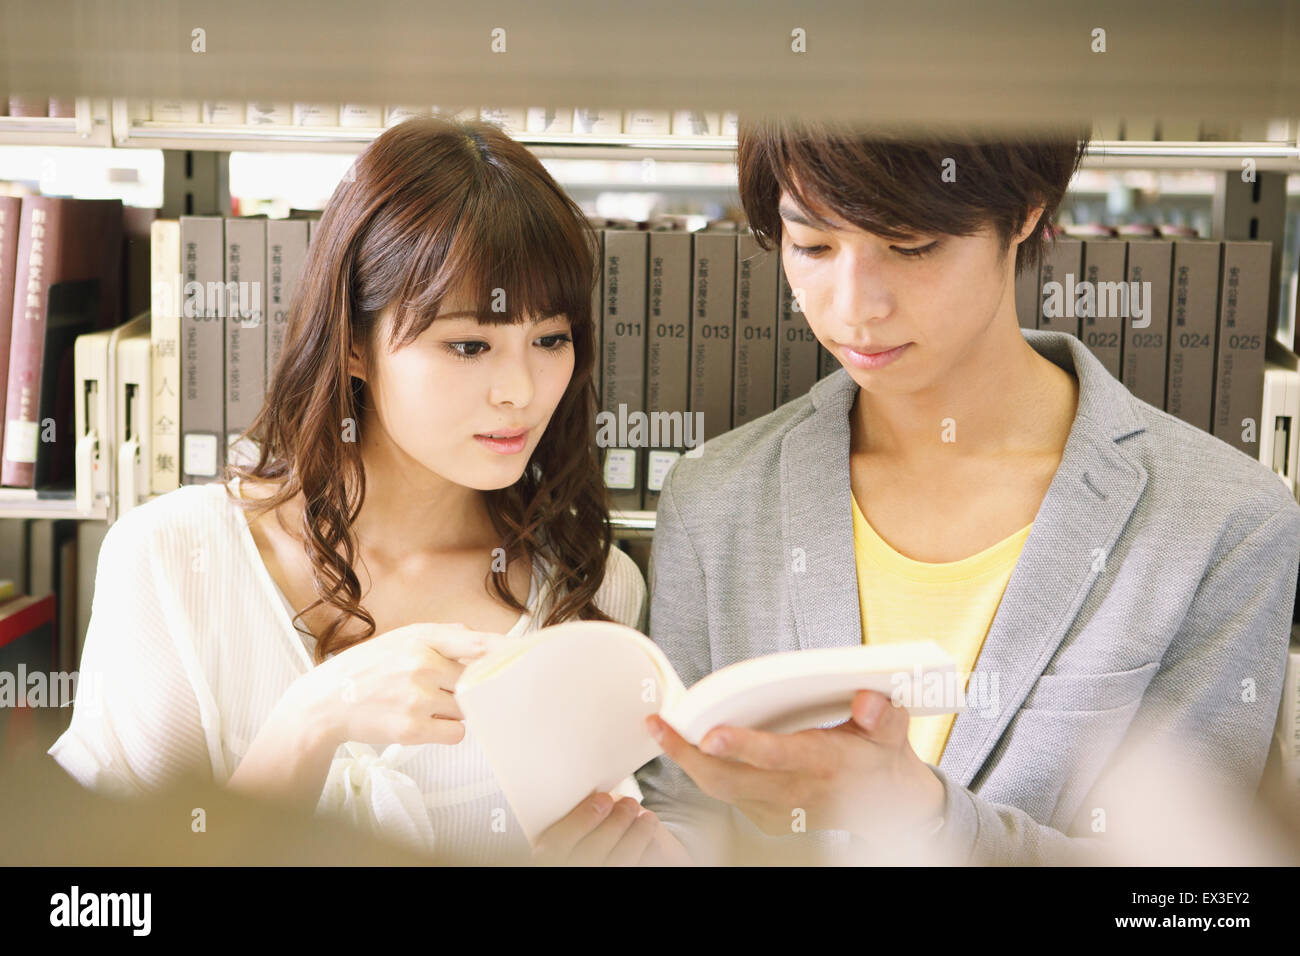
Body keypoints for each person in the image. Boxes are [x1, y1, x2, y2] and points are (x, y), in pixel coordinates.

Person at [635, 116, 1300, 865]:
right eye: (813, 246)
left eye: (910, 247)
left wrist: (924, 817)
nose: (855, 306)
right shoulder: (715, 497)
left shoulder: (1224, 523)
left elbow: (1178, 896)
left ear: (1026, 214)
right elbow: (685, 810)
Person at [48, 117, 687, 866]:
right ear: (354, 342)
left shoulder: (593, 589)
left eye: (550, 339)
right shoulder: (169, 561)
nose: (522, 391)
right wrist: (315, 719)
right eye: (470, 345)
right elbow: (99, 901)